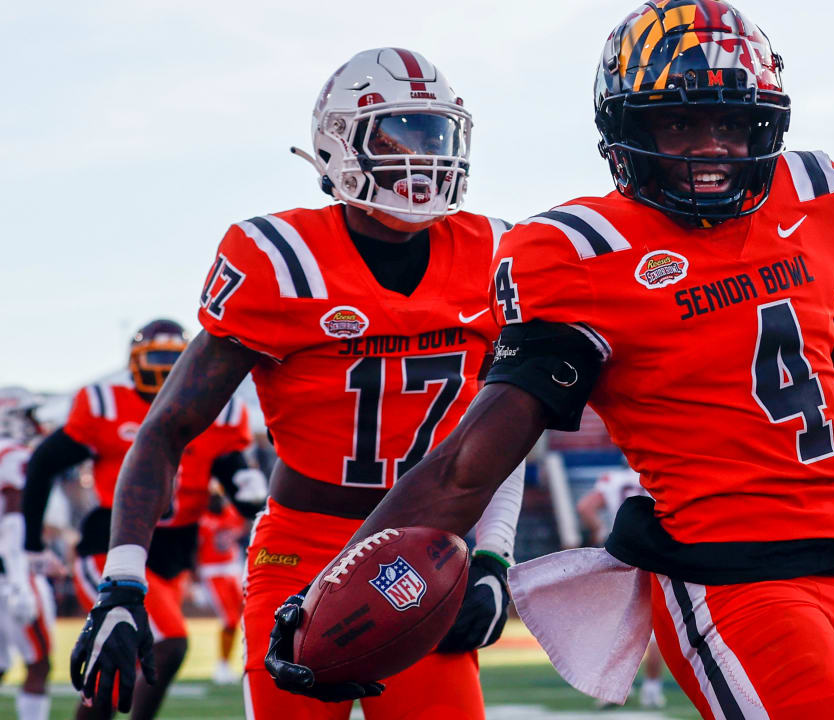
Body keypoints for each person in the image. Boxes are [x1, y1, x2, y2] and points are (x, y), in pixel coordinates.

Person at [274, 4, 834, 718]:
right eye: (679, 121)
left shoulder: (815, 197)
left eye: (732, 121)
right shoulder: (581, 252)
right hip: (730, 585)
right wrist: (322, 594)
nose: (712, 147)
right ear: (625, 128)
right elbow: (470, 462)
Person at [65, 48, 525, 719]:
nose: (424, 159)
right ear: (339, 144)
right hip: (302, 548)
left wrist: (492, 555)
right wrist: (123, 583)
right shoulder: (280, 260)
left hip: (422, 552)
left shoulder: (494, 251)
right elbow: (166, 430)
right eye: (399, 137)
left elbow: (501, 424)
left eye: (437, 136)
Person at [21, 321, 253, 720]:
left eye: (172, 360)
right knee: (171, 641)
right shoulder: (104, 405)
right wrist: (31, 545)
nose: (163, 371)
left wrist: (250, 491)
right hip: (115, 542)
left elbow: (233, 473)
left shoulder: (222, 409)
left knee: (120, 662)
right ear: (133, 364)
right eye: (155, 359)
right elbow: (44, 462)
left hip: (176, 553)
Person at [576, 467, 666, 708]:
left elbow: (585, 507)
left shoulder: (613, 479)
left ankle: (610, 690)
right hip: (658, 552)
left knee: (619, 624)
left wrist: (599, 530)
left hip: (623, 553)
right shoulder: (660, 473)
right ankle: (652, 688)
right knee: (657, 626)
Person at [0, 388, 55, 720]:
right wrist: (21, 580)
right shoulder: (15, 455)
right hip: (12, 574)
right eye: (30, 415)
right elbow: (15, 521)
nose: (37, 423)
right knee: (39, 663)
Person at [195, 484, 253, 685]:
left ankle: (241, 660)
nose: (217, 501)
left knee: (246, 615)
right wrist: (195, 582)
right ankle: (222, 665)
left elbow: (246, 524)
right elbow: (194, 550)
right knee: (229, 619)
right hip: (212, 572)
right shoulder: (202, 519)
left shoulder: (231, 513)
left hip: (232, 569)